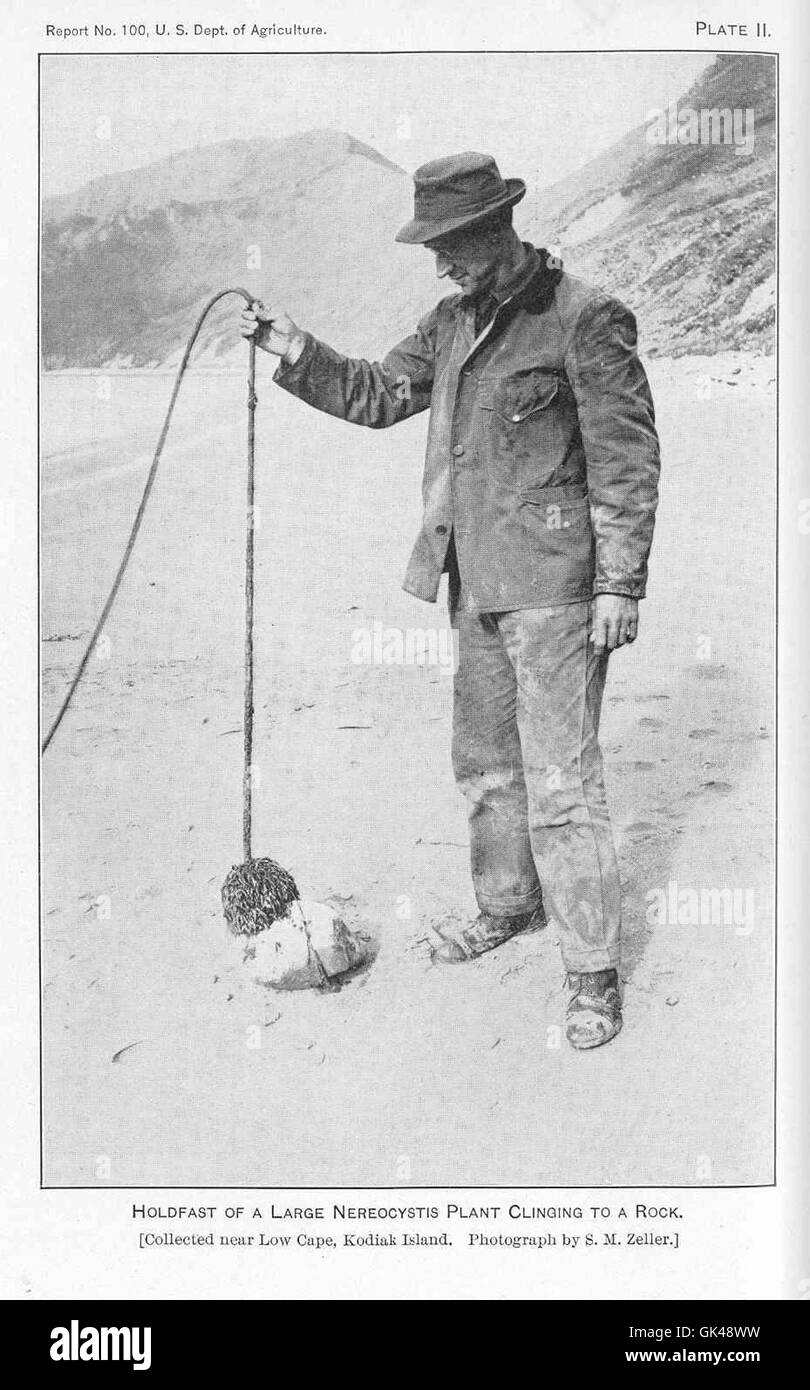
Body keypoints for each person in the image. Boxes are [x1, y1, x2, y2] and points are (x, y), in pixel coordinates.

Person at [240, 151, 660, 1049]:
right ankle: (507, 906)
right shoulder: (448, 322)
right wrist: (294, 349)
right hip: (472, 588)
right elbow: (381, 393)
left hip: (558, 593)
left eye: (449, 245)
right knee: (486, 771)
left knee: (562, 786)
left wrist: (621, 582)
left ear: (494, 229)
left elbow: (627, 463)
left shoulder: (584, 317)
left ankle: (592, 976)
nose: (439, 263)